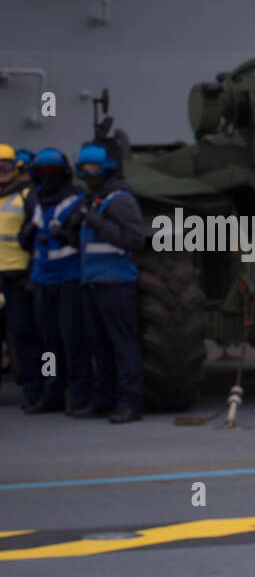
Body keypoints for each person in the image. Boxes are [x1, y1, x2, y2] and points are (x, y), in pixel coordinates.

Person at [72, 144, 148, 423]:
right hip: (92, 283)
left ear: (105, 170)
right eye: (83, 169)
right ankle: (103, 399)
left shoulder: (120, 200)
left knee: (123, 345)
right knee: (99, 346)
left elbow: (134, 239)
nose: (86, 174)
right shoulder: (93, 200)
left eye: (91, 169)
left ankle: (130, 402)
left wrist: (96, 223)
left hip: (115, 283)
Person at [19, 148, 90, 415]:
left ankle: (79, 394)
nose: (47, 178)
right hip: (41, 278)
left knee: (73, 341)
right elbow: (27, 237)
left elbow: (83, 240)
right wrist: (26, 234)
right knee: (48, 342)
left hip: (69, 278)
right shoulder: (36, 200)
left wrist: (67, 234)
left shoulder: (76, 200)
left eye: (52, 173)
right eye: (42, 173)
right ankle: (52, 392)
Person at [0, 144, 43, 410]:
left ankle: (34, 390)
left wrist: (32, 274)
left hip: (17, 279)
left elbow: (38, 236)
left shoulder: (28, 196)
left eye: (6, 166)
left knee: (24, 336)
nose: (2, 172)